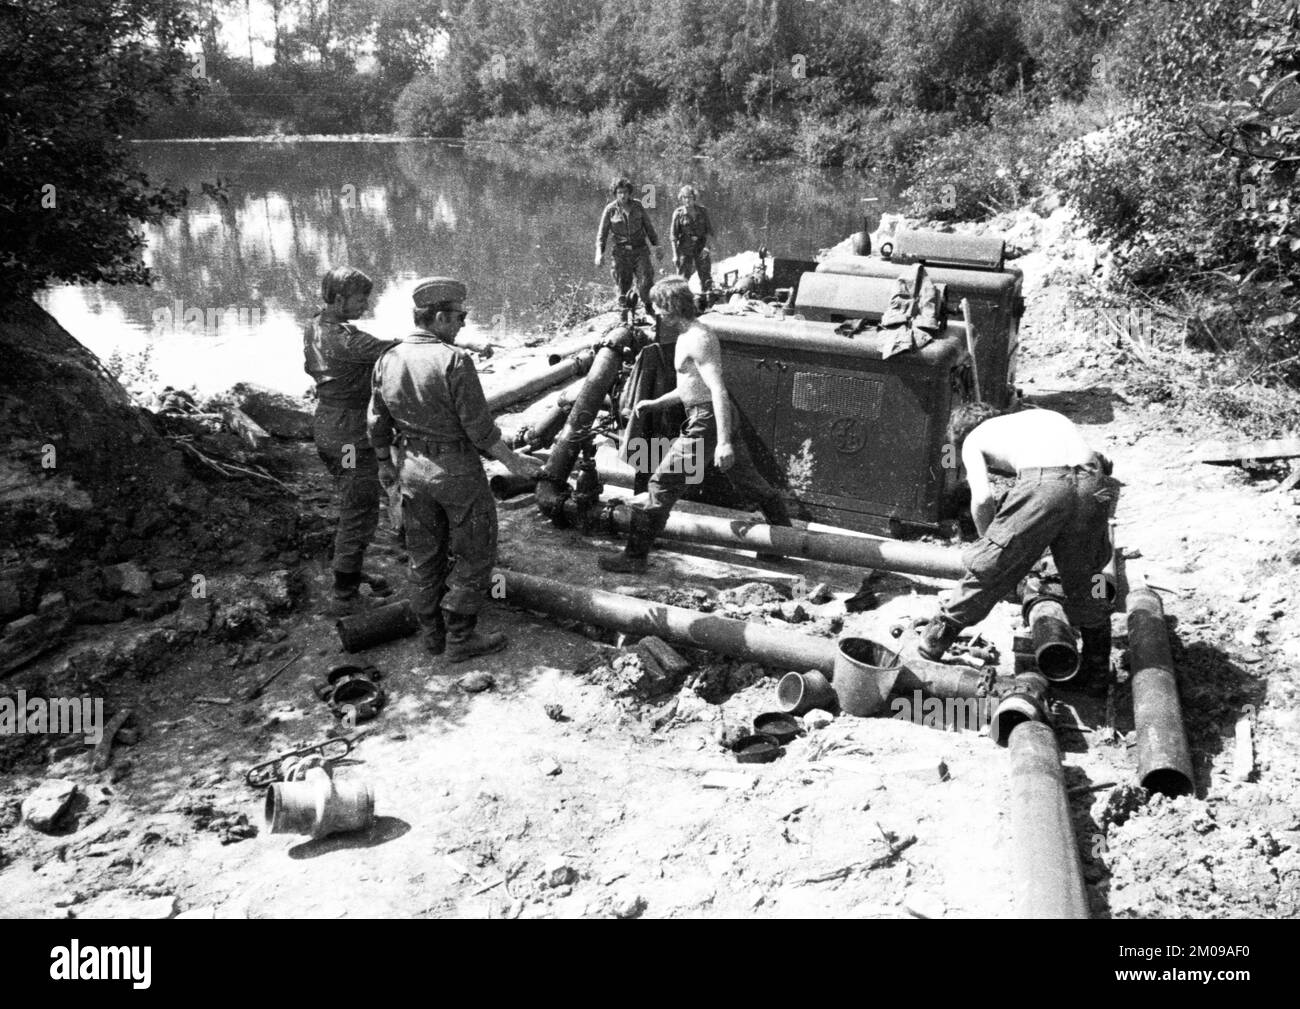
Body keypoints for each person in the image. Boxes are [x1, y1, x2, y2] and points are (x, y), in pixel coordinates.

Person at [368, 277, 539, 660]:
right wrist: (515, 463)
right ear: (441, 317)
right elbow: (480, 431)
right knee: (475, 551)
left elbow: (377, 425)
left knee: (423, 554)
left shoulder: (388, 359)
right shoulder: (455, 361)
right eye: (460, 317)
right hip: (455, 470)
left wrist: (386, 468)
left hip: (411, 468)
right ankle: (460, 638)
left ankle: (433, 636)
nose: (463, 324)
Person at [917, 403, 1119, 692]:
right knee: (1087, 577)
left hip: (1045, 482)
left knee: (988, 566)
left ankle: (932, 642)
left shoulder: (973, 439)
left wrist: (994, 545)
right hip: (1094, 482)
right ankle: (1097, 670)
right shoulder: (1039, 416)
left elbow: (983, 500)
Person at [598, 276, 791, 574]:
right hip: (709, 416)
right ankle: (782, 545)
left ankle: (635, 557)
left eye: (659, 307)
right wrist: (656, 403)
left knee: (661, 484)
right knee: (748, 481)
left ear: (672, 306)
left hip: (707, 421)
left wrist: (724, 442)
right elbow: (691, 387)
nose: (657, 313)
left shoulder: (697, 339)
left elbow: (717, 390)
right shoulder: (689, 335)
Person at [304, 267, 395, 607]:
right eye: (360, 299)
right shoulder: (346, 340)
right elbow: (398, 350)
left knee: (351, 502)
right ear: (339, 299)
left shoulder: (316, 325)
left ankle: (350, 571)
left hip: (327, 425)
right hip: (348, 437)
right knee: (361, 508)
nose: (366, 305)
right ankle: (345, 594)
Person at [594, 176, 663, 317]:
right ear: (615, 193)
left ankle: (648, 307)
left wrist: (657, 245)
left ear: (629, 192)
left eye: (625, 192)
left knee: (645, 279)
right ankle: (625, 311)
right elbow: (602, 235)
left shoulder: (638, 206)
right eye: (619, 192)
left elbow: (649, 227)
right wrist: (599, 253)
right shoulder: (610, 210)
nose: (623, 195)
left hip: (640, 250)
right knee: (622, 284)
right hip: (621, 253)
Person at [670, 185, 714, 294]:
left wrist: (707, 248)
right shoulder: (678, 213)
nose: (687, 200)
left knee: (706, 278)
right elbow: (673, 237)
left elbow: (709, 232)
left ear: (694, 198)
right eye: (684, 197)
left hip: (701, 247)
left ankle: (707, 301)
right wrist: (675, 255)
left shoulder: (703, 211)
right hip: (685, 249)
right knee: (682, 279)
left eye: (689, 197)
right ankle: (681, 301)